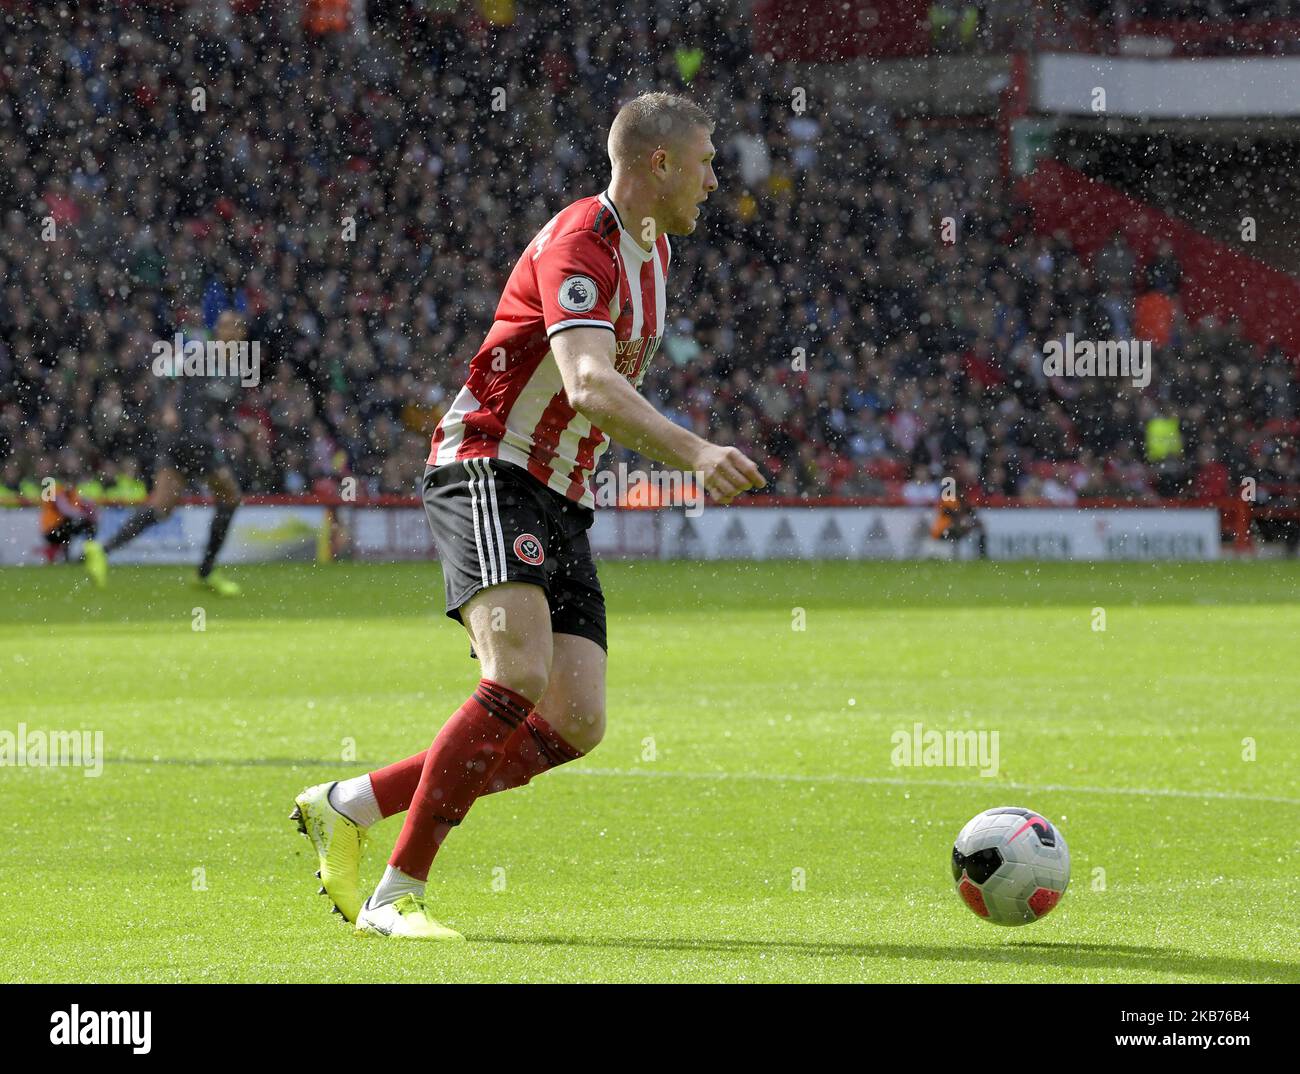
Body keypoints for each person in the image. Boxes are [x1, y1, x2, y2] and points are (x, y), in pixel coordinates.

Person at [291, 91, 766, 941]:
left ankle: (351, 803)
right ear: (658, 162)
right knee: (514, 675)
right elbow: (585, 382)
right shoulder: (583, 242)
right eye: (706, 159)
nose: (715, 175)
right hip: (488, 462)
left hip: (561, 492)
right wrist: (695, 453)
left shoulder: (654, 253)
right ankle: (396, 896)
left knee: (577, 721)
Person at [82, 310, 246, 595]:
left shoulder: (236, 371)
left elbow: (220, 410)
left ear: (241, 334)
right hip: (189, 437)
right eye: (221, 325)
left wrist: (236, 425)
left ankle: (101, 549)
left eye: (231, 326)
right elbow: (161, 373)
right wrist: (167, 407)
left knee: (162, 507)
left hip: (189, 439)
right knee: (230, 497)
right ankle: (206, 572)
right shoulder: (202, 355)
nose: (225, 330)